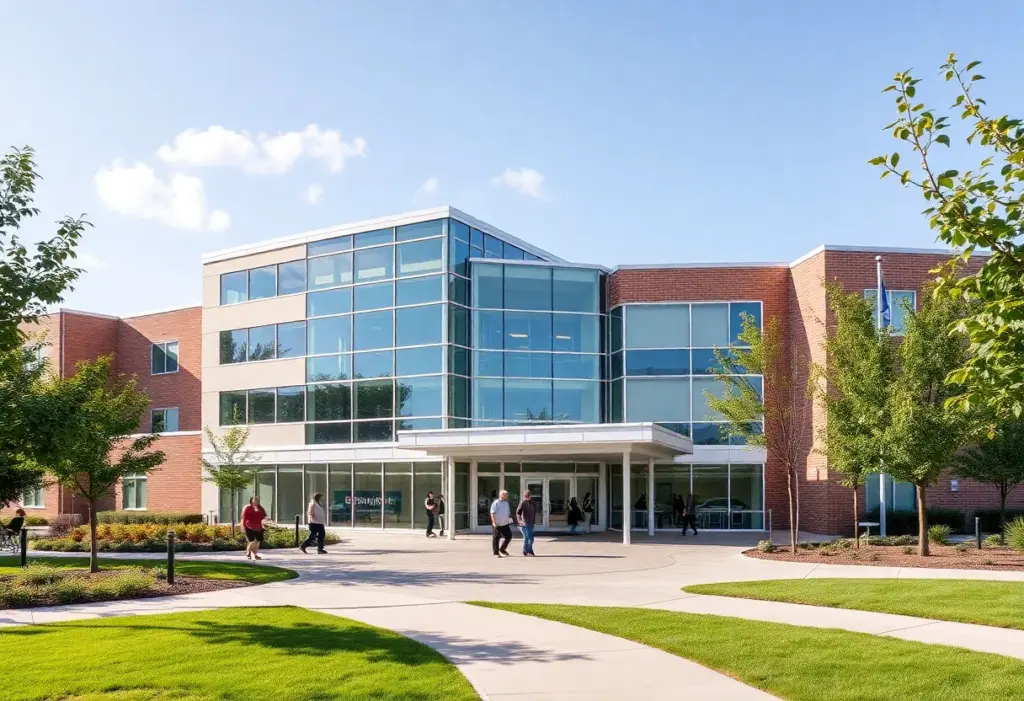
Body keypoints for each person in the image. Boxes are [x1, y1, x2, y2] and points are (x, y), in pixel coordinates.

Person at [240, 496, 268, 560]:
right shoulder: (248, 507)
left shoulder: (260, 508)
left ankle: (255, 555)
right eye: (254, 499)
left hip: (259, 526)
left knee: (258, 542)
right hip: (249, 526)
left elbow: (264, 516)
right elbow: (244, 517)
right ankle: (248, 553)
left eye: (257, 499)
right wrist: (243, 526)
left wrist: (266, 521)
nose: (256, 500)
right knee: (252, 541)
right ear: (251, 500)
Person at [490, 489, 513, 557]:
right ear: (501, 495)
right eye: (505, 495)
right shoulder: (496, 503)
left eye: (506, 495)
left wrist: (509, 520)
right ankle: (496, 552)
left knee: (509, 536)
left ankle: (502, 549)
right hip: (497, 524)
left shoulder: (506, 503)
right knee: (496, 538)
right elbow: (492, 513)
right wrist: (494, 523)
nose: (506, 496)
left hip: (505, 524)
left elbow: (507, 513)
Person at [516, 490, 537, 556]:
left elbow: (534, 513)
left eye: (529, 495)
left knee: (527, 538)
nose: (528, 496)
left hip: (531, 523)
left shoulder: (533, 503)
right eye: (526, 495)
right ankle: (528, 550)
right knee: (530, 539)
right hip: (525, 523)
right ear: (524, 496)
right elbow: (518, 513)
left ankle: (527, 551)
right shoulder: (522, 503)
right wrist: (520, 521)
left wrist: (534, 521)